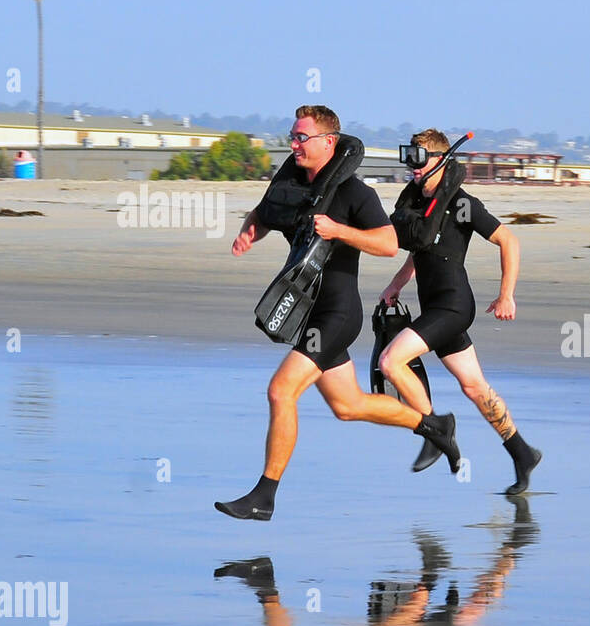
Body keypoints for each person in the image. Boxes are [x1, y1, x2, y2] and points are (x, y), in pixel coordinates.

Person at [215, 105, 460, 521]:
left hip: (337, 314)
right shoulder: (293, 183)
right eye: (292, 137)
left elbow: (387, 244)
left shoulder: (353, 193)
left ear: (329, 141)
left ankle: (265, 496)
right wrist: (249, 231)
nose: (293, 145)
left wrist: (338, 230)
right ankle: (435, 426)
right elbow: (266, 212)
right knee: (348, 406)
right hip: (308, 311)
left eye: (301, 138)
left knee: (281, 391)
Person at [378, 128, 542, 494]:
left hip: (454, 306)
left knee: (391, 362)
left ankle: (435, 428)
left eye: (419, 159)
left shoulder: (462, 203)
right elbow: (421, 250)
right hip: (434, 306)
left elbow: (508, 240)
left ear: (440, 159)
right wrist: (397, 283)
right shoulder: (419, 205)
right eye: (409, 158)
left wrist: (506, 295)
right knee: (474, 386)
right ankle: (521, 451)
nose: (412, 167)